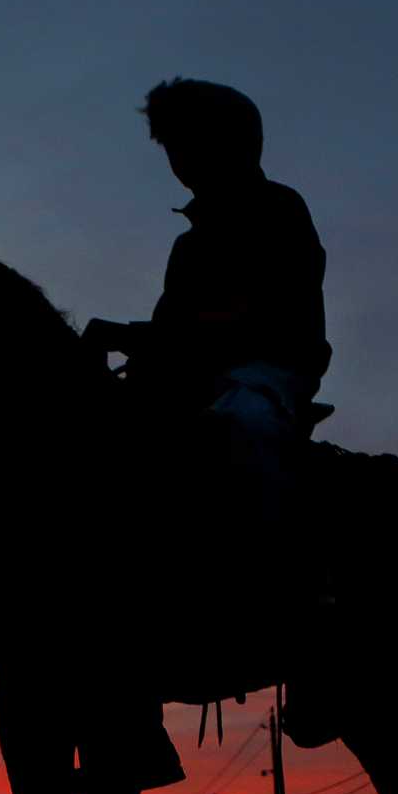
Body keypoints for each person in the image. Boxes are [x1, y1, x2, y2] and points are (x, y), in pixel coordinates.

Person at [84, 78, 332, 552]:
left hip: (270, 372)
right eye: (174, 147)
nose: (181, 160)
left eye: (191, 141)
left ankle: (290, 571)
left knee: (243, 424)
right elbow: (172, 332)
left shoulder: (280, 209)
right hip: (191, 381)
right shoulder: (188, 245)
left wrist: (135, 338)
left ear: (237, 142)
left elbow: (254, 318)